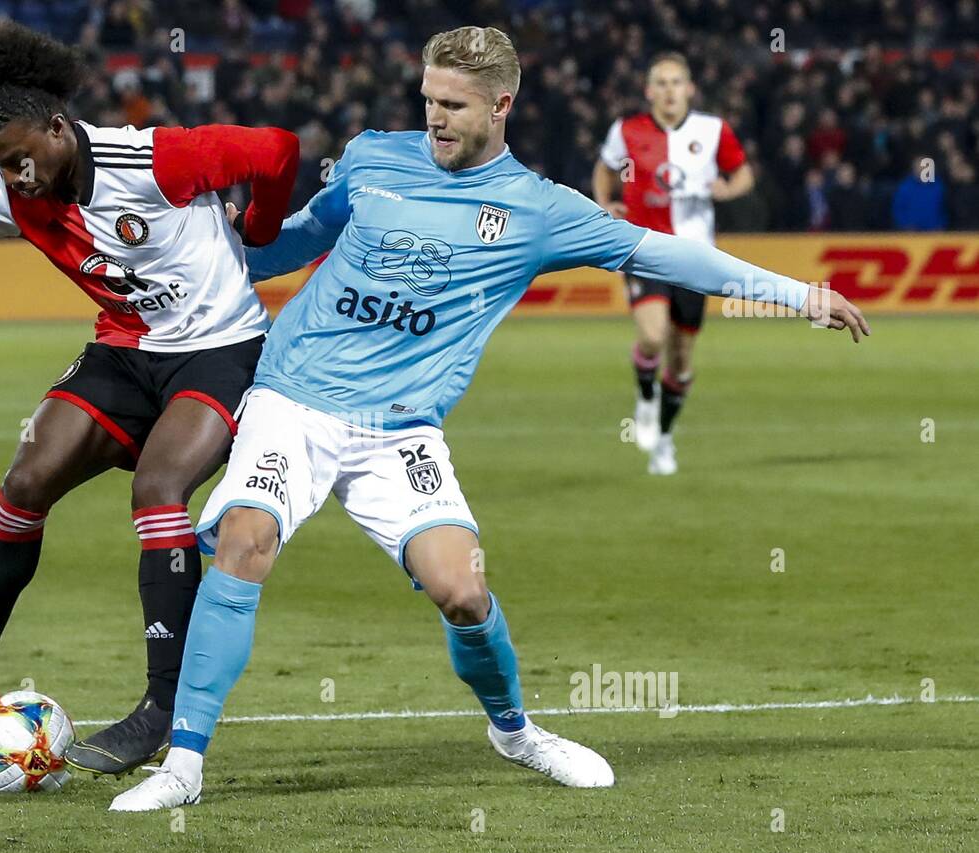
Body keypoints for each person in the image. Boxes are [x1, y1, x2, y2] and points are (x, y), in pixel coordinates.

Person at [108, 26, 868, 812]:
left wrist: (796, 293)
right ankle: (184, 767)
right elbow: (297, 240)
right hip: (293, 398)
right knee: (244, 542)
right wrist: (192, 258)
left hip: (401, 427)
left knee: (462, 591)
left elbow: (662, 253)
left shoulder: (540, 210)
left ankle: (515, 732)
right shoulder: (372, 157)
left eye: (453, 105)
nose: (433, 118)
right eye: (428, 100)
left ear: (502, 105)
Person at [0, 22, 298, 775]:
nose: (16, 176)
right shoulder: (6, 189)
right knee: (26, 480)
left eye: (21, 155)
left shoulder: (157, 158)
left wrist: (258, 230)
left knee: (159, 488)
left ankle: (163, 707)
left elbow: (276, 149)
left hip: (220, 349)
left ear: (59, 127)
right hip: (126, 349)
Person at [592, 52, 756, 475]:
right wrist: (604, 203)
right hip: (644, 249)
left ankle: (664, 439)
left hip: (696, 257)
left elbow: (744, 175)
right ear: (649, 91)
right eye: (661, 83)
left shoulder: (713, 130)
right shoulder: (626, 131)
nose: (669, 90)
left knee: (681, 359)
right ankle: (645, 396)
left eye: (676, 82)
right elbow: (605, 169)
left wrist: (726, 189)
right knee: (652, 335)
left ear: (690, 89)